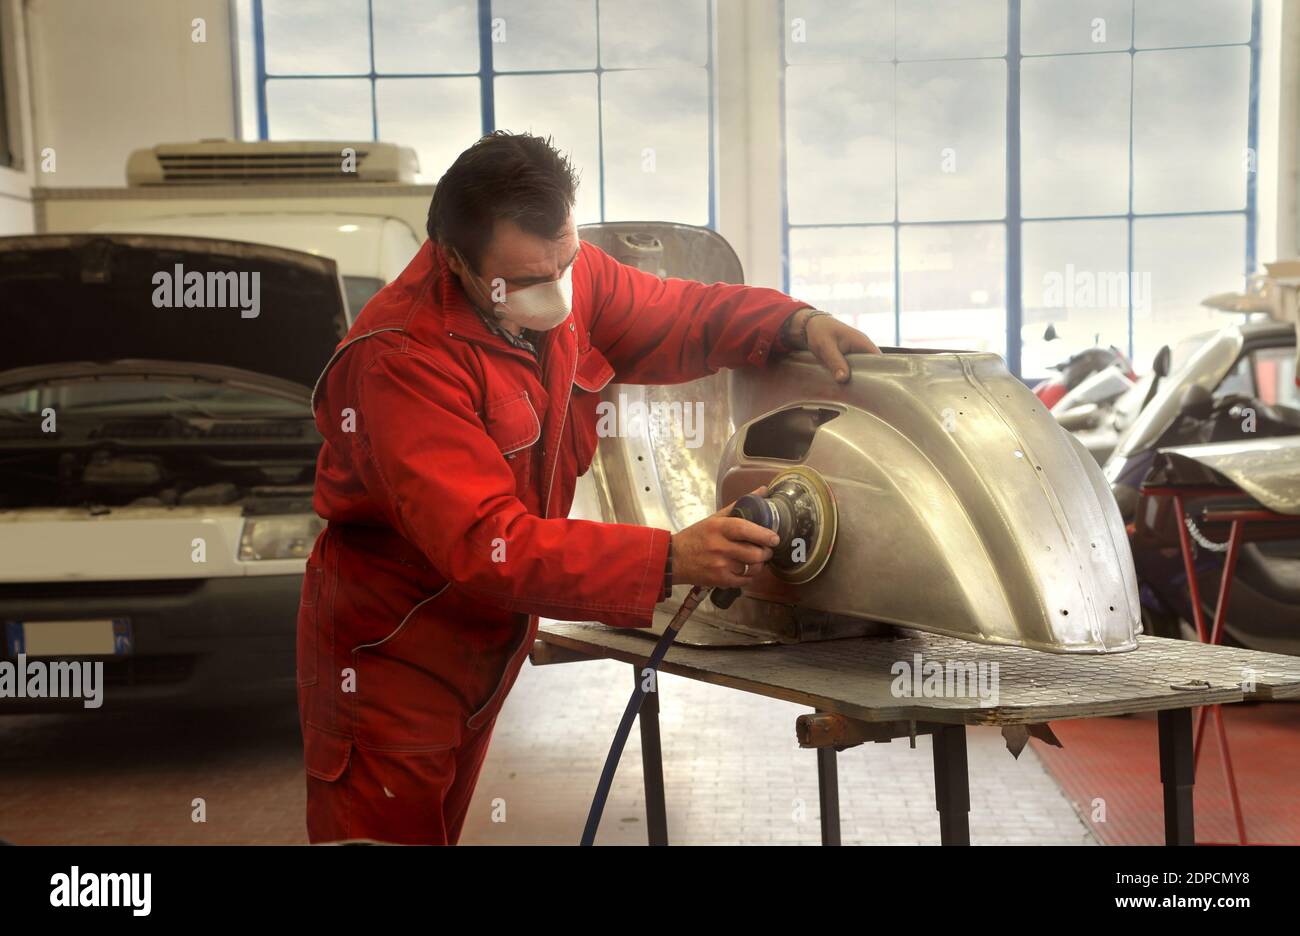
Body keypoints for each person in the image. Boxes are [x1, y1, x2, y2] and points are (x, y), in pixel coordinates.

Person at [298, 131, 880, 844]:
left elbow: (681, 314)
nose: (555, 294)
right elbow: (489, 544)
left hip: (484, 644)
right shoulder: (400, 359)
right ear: (454, 260)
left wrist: (794, 322)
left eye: (564, 265)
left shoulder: (566, 282)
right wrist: (666, 560)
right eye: (526, 280)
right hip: (394, 657)